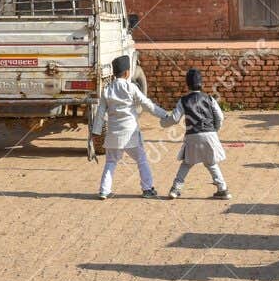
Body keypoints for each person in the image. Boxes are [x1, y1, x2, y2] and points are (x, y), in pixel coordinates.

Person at [91, 55, 171, 200]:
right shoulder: (131, 87)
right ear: (127, 73)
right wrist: (165, 115)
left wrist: (95, 132)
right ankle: (147, 189)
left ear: (115, 73)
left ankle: (104, 191)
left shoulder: (107, 90)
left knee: (110, 162)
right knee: (141, 160)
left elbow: (100, 114)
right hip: (131, 134)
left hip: (113, 134)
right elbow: (147, 104)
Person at [166, 67, 230, 201]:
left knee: (186, 163)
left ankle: (175, 189)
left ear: (187, 83)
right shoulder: (209, 98)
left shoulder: (183, 100)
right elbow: (220, 116)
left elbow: (175, 118)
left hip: (192, 135)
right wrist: (214, 130)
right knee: (211, 163)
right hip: (210, 133)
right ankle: (222, 189)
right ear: (201, 83)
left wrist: (163, 121)